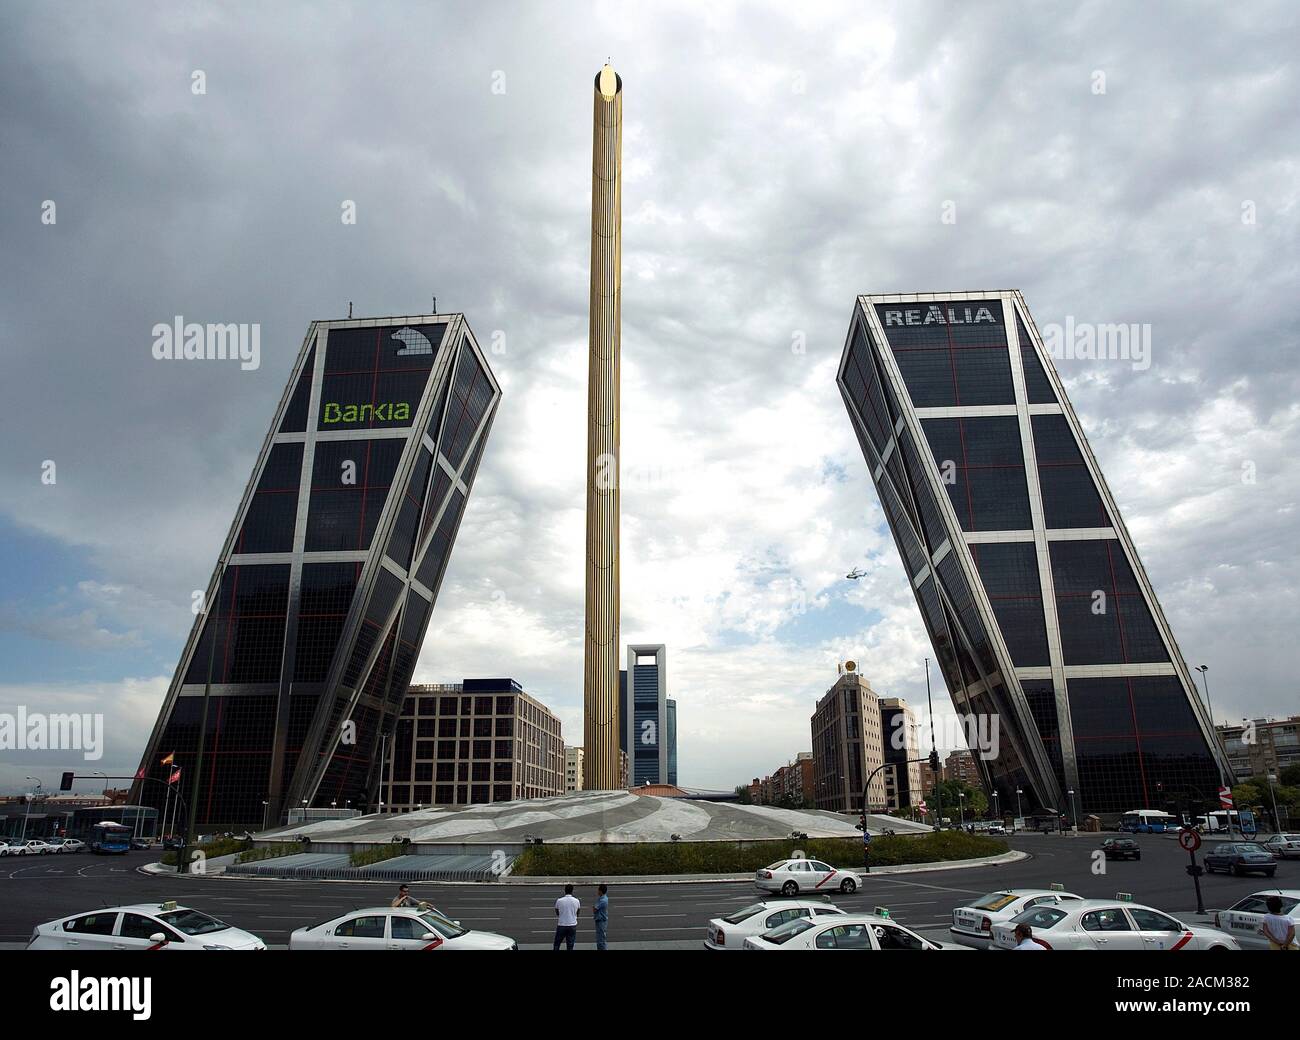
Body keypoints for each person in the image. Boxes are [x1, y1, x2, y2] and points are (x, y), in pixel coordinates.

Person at [553, 883, 581, 950]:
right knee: (570, 945)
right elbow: (578, 912)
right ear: (572, 891)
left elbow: (557, 912)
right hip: (572, 925)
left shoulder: (559, 901)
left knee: (557, 944)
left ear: (565, 890)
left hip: (562, 924)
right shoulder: (577, 901)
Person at [593, 884, 609, 950]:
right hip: (600, 920)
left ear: (601, 891)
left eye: (598, 890)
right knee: (600, 939)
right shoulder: (603, 898)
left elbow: (594, 909)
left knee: (601, 940)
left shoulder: (603, 900)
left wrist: (594, 908)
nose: (597, 891)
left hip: (601, 921)